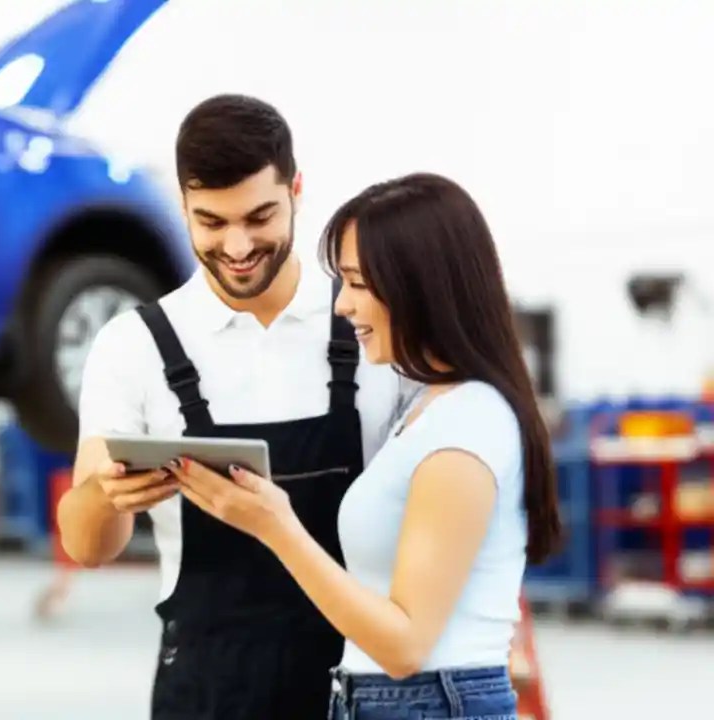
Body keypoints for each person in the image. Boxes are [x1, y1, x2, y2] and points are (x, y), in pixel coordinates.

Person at [56, 93, 411, 719]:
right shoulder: (132, 346)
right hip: (208, 688)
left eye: (260, 216)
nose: (238, 245)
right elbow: (89, 546)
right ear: (184, 206)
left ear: (297, 189)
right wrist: (106, 495)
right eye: (212, 223)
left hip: (358, 686)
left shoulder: (367, 323)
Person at [167, 172, 563, 719]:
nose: (342, 306)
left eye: (356, 283)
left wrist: (275, 526)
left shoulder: (467, 428)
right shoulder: (429, 407)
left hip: (424, 703)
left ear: (417, 286)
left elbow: (404, 646)